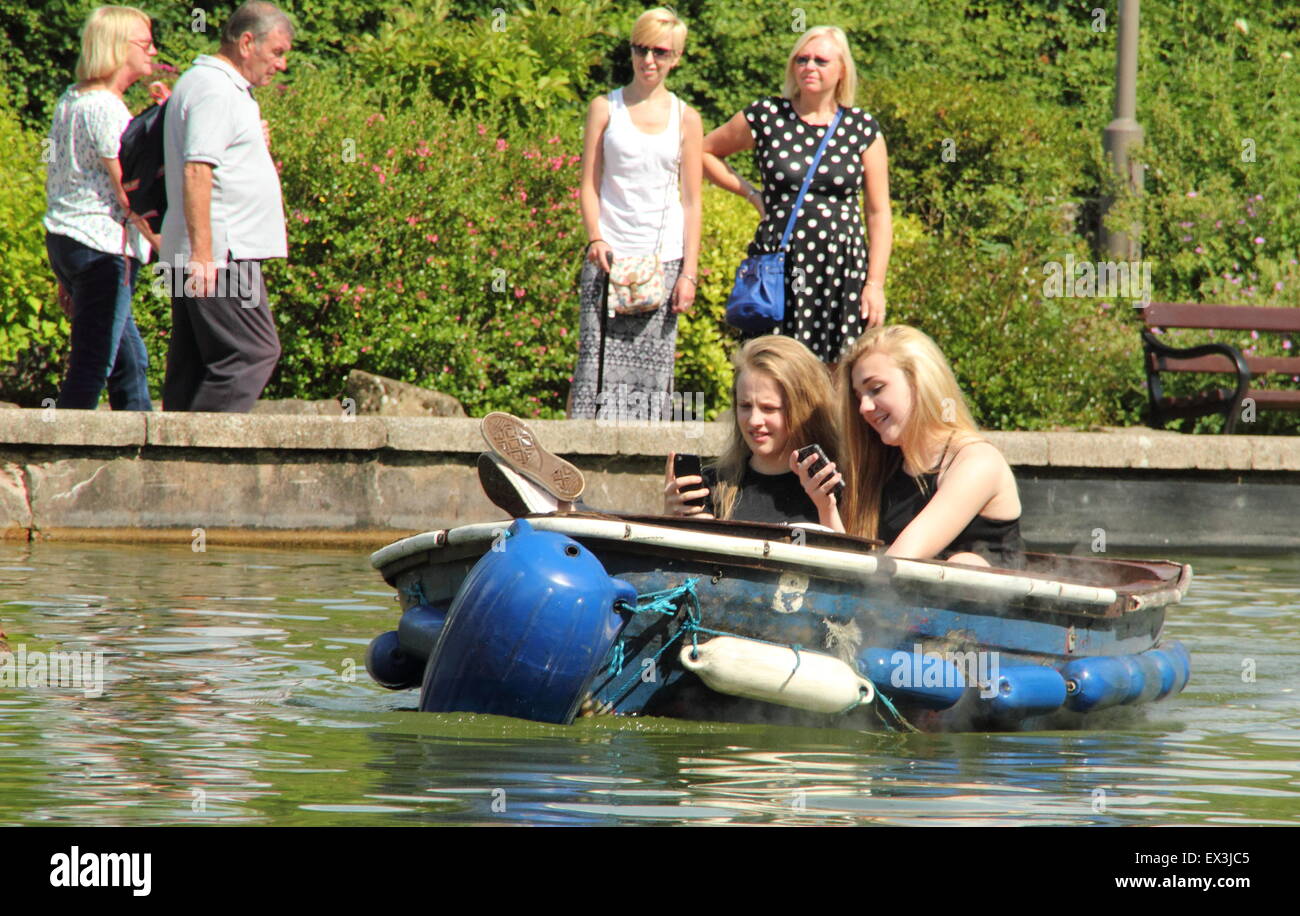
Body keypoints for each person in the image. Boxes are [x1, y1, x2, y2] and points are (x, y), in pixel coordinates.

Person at [702, 26, 892, 362]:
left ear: (842, 69)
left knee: (841, 371)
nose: (810, 66)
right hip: (780, 265)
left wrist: (874, 284)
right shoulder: (767, 116)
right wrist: (750, 194)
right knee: (774, 368)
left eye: (821, 60)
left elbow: (878, 214)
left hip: (842, 269)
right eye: (801, 59)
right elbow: (702, 152)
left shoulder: (862, 129)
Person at [797, 325, 1026, 567]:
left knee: (967, 563)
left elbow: (896, 565)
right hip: (895, 601)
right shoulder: (886, 464)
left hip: (981, 604)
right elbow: (855, 576)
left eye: (876, 389)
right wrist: (828, 508)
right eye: (858, 396)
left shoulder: (977, 462)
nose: (863, 407)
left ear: (920, 382)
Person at [160, 0, 292, 412]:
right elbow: (197, 170)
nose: (282, 65)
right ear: (247, 42)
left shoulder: (212, 86)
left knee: (195, 362)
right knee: (252, 352)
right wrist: (204, 256)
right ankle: (200, 464)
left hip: (206, 250)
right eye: (278, 52)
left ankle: (171, 462)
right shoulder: (216, 89)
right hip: (221, 253)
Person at [571, 7, 702, 421]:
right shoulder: (604, 108)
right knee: (595, 371)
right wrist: (595, 236)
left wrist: (689, 274)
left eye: (660, 52)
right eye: (640, 49)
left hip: (662, 262)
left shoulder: (687, 118)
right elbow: (588, 185)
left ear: (676, 57)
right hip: (608, 257)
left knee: (650, 385)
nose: (649, 60)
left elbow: (693, 201)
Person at [43, 5, 158, 412]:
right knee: (93, 364)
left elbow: (62, 176)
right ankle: (64, 456)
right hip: (103, 249)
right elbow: (129, 192)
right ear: (117, 47)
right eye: (145, 43)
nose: (154, 50)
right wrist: (167, 243)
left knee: (129, 360)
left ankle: (141, 445)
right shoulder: (108, 109)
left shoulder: (71, 99)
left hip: (67, 242)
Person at [663, 336, 839, 525]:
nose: (754, 421)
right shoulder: (713, 488)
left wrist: (827, 509)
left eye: (769, 408)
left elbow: (850, 553)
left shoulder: (831, 483)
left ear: (803, 408)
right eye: (745, 406)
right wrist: (671, 523)